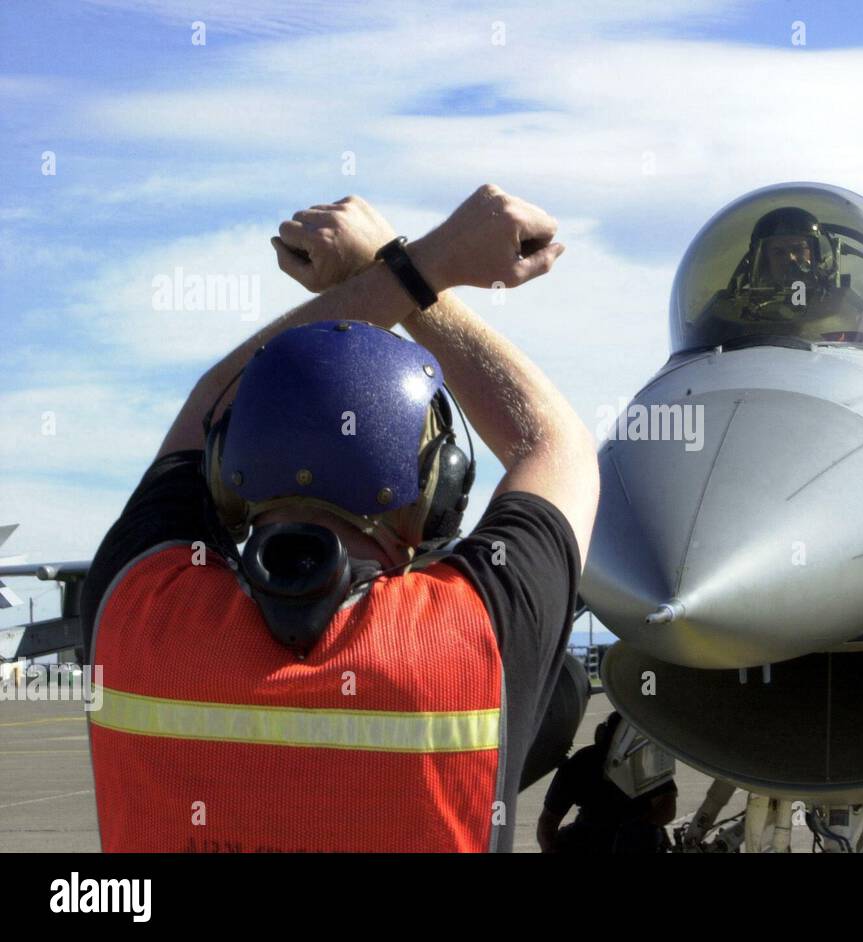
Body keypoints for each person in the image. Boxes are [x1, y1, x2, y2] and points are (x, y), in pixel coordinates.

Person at [79, 186, 598, 852]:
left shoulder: (135, 608)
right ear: (435, 491)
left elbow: (208, 400)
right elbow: (554, 444)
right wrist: (405, 267)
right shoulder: (478, 634)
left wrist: (415, 267)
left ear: (225, 465)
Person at [536, 712, 677, 853]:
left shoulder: (646, 763)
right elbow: (547, 823)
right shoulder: (581, 764)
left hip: (636, 835)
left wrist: (642, 826)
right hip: (591, 832)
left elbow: (666, 805)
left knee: (641, 837)